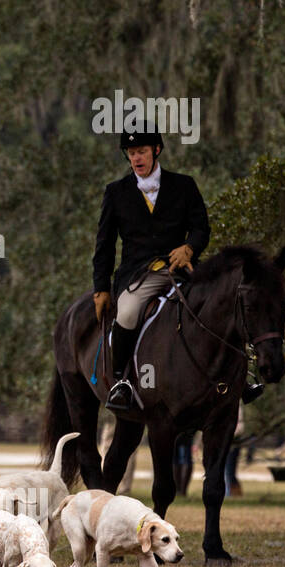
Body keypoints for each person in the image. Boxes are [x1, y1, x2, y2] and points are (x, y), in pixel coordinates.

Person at [92, 129, 210, 411]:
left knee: (221, 298)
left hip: (181, 267)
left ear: (156, 150)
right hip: (139, 274)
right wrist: (101, 288)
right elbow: (105, 245)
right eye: (131, 154)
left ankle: (242, 376)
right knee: (129, 312)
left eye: (141, 152)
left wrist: (189, 248)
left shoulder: (184, 185)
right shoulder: (116, 192)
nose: (136, 158)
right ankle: (122, 383)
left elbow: (201, 227)